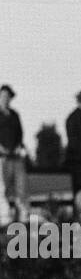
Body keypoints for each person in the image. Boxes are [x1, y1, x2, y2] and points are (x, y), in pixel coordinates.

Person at [0, 83, 29, 224]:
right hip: (2, 158)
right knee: (3, 189)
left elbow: (20, 133)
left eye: (8, 96)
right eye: (4, 96)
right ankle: (4, 219)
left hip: (16, 157)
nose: (6, 99)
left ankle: (23, 219)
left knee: (21, 188)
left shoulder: (14, 115)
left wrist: (18, 146)